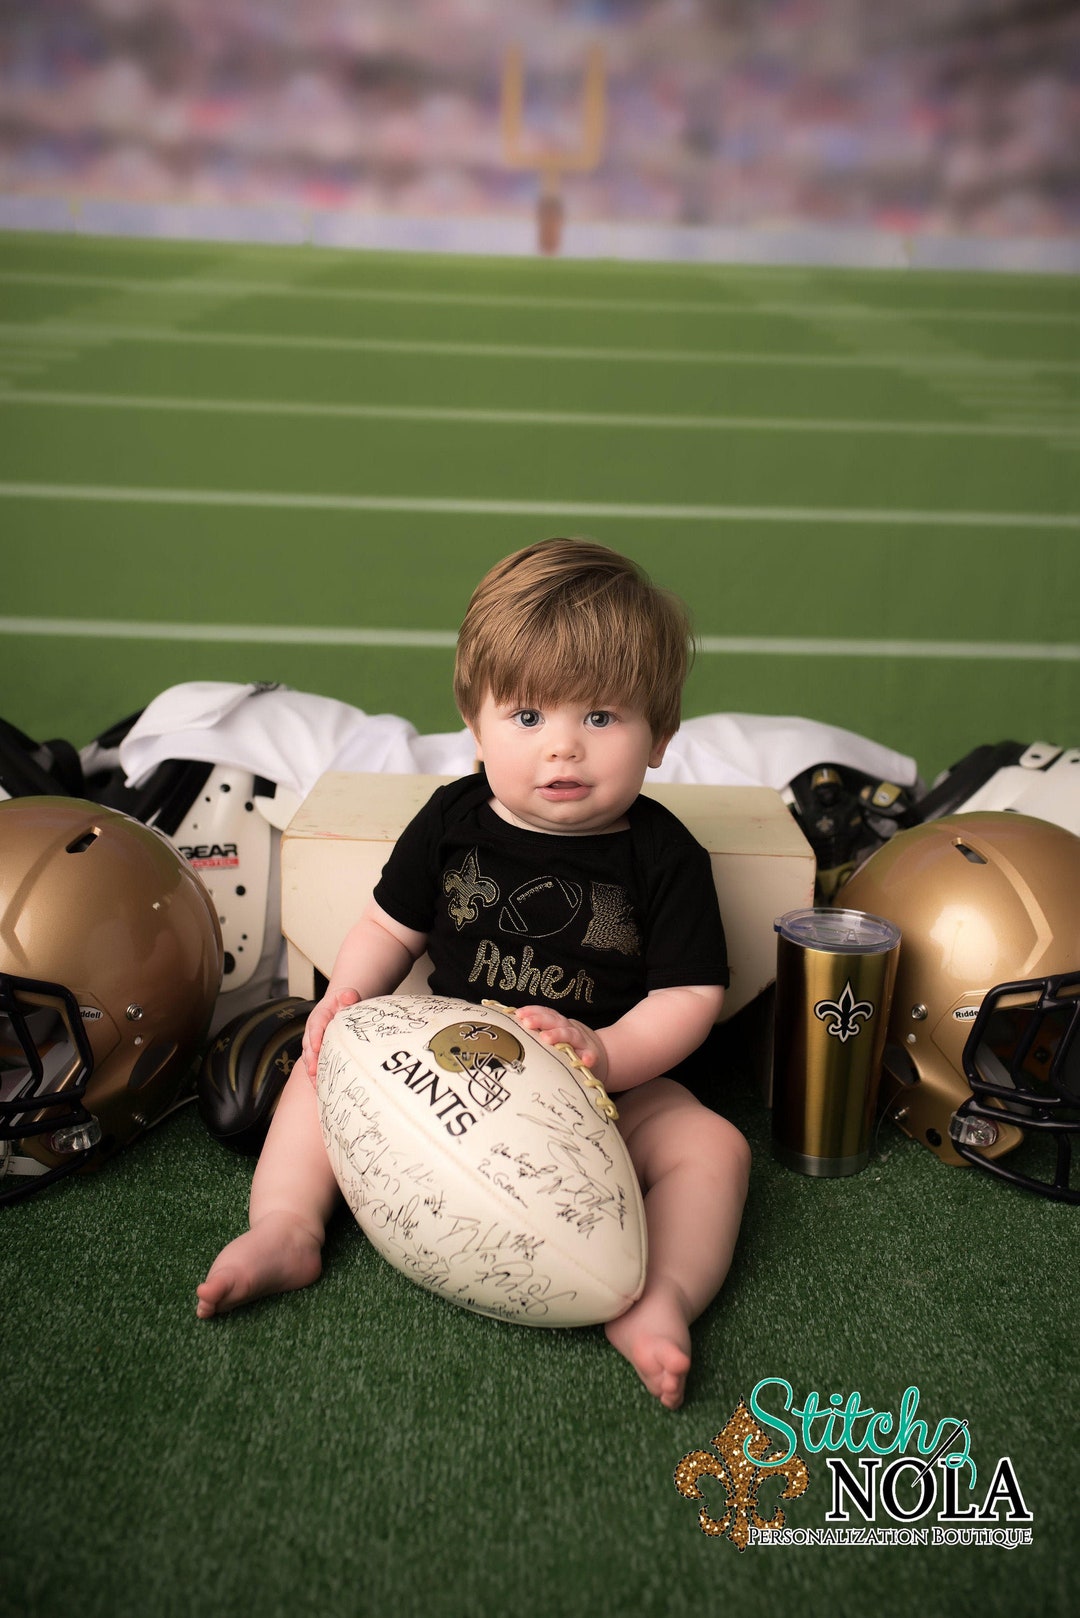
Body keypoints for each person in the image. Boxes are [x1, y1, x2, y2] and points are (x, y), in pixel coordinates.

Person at [197, 538, 750, 1410]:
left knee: (713, 1147)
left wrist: (605, 1052)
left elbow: (690, 995)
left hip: (605, 1086)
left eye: (601, 718)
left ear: (660, 735)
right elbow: (389, 924)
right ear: (474, 724)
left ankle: (660, 1297)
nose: (562, 748)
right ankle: (287, 1227)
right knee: (320, 1069)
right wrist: (347, 994)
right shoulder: (453, 818)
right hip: (451, 1060)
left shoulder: (662, 854)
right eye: (528, 717)